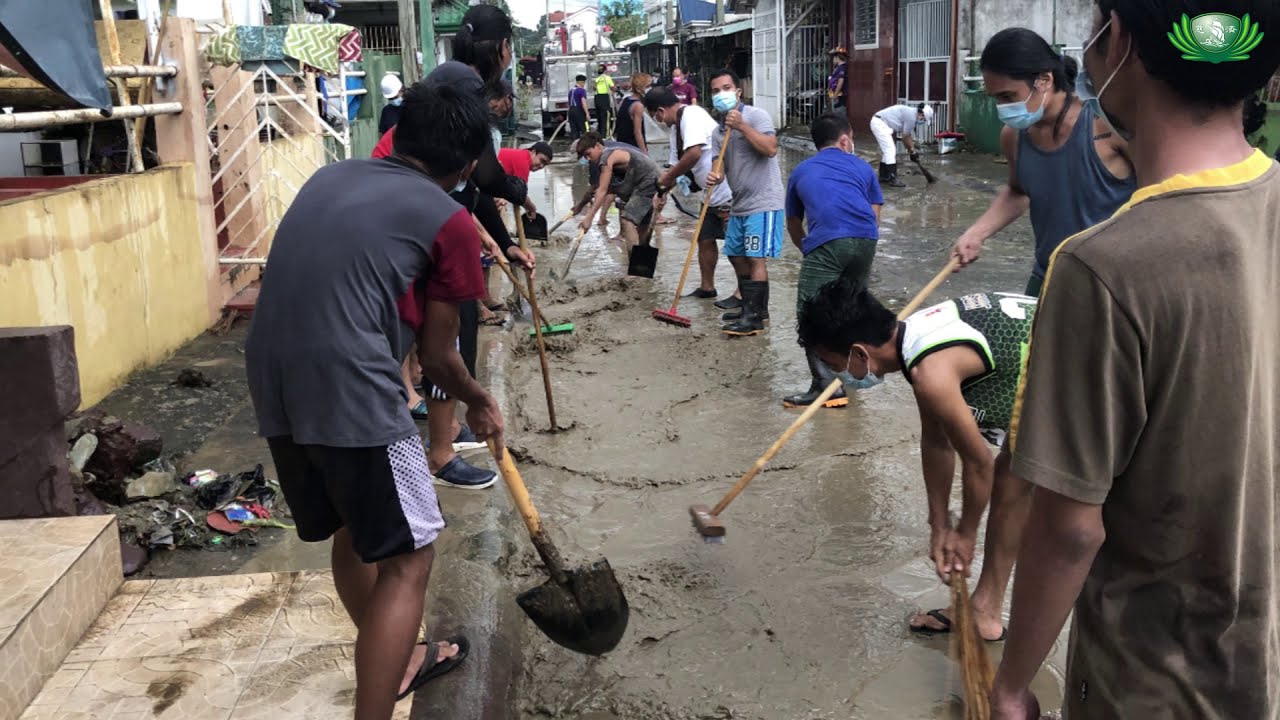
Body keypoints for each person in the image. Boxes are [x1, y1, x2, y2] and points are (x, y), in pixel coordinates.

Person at [989, 0, 1280, 716]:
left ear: (1117, 39)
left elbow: (1069, 529)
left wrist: (1013, 682)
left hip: (1157, 678)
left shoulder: (1099, 269)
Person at [245, 80, 497, 720]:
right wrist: (478, 400)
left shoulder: (328, 178)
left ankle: (400, 657)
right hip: (349, 384)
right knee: (411, 560)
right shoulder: (451, 220)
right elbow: (441, 357)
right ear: (468, 166)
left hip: (273, 378)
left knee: (357, 532)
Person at [798, 277, 1039, 643]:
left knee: (1013, 474)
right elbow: (937, 442)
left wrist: (966, 534)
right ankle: (984, 610)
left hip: (1078, 364)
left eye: (836, 364)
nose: (839, 375)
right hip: (1044, 354)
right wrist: (939, 524)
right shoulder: (915, 340)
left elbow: (979, 465)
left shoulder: (931, 374)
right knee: (1012, 470)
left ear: (860, 354)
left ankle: (986, 612)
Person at [370, 4, 535, 490]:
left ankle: (446, 430)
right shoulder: (465, 87)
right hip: (410, 203)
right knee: (451, 333)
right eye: (510, 46)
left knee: (451, 327)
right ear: (501, 47)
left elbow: (472, 190)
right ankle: (439, 456)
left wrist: (505, 243)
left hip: (414, 199)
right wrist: (522, 194)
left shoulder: (455, 75)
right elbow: (484, 177)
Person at [949, 27, 1136, 298]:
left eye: (1007, 97)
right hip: (1047, 278)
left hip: (1111, 287)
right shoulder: (1013, 136)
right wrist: (976, 233)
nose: (1001, 108)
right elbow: (1017, 191)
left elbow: (1161, 197)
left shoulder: (1105, 127)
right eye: (995, 99)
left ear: (1045, 80)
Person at [782, 112, 882, 409]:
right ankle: (856, 375)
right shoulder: (863, 166)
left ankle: (826, 386)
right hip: (866, 238)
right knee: (851, 307)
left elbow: (792, 222)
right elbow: (875, 212)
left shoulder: (801, 170)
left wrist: (810, 250)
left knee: (810, 311)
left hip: (828, 239)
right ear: (845, 139)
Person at [704, 68, 785, 337]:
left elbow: (770, 148)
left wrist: (741, 126)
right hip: (739, 203)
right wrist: (715, 174)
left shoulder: (756, 116)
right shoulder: (717, 131)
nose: (721, 95)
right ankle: (752, 307)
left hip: (763, 201)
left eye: (725, 88)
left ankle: (754, 318)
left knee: (754, 257)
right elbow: (720, 164)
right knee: (736, 255)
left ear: (738, 91)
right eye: (715, 91)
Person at [645, 85, 734, 299]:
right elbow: (676, 167)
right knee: (704, 239)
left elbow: (693, 154)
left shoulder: (692, 114)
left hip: (725, 190)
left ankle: (743, 295)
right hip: (709, 193)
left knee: (735, 246)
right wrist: (663, 191)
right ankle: (707, 287)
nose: (659, 121)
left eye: (656, 117)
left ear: (659, 111)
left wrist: (666, 178)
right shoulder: (676, 130)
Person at [576, 131, 660, 253]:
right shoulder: (604, 158)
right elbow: (595, 187)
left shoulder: (606, 157)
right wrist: (579, 206)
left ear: (598, 146)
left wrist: (589, 217)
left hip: (649, 181)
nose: (588, 158)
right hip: (646, 182)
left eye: (588, 154)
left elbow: (602, 191)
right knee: (642, 226)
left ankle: (634, 265)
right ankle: (642, 267)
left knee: (627, 219)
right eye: (584, 156)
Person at [868, 102, 933, 187]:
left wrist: (912, 150)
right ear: (921, 114)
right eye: (923, 119)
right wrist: (912, 152)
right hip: (879, 123)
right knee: (890, 150)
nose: (922, 121)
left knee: (887, 150)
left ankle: (884, 176)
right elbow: (905, 137)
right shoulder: (912, 117)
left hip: (880, 122)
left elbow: (907, 136)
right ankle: (893, 179)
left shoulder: (912, 113)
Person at [616, 72, 651, 153]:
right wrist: (644, 153)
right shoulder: (638, 106)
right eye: (647, 86)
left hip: (622, 146)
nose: (650, 89)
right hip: (633, 149)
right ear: (639, 89)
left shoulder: (626, 100)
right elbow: (637, 132)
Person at [594, 63, 615, 134]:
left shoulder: (597, 79)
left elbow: (594, 88)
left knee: (599, 117)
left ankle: (600, 133)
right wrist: (613, 91)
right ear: (605, 70)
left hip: (597, 98)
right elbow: (613, 87)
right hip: (604, 98)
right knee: (606, 117)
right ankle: (605, 134)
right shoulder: (607, 78)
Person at [568, 74, 589, 140]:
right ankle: (586, 143)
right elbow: (583, 102)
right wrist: (587, 113)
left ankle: (575, 144)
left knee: (574, 129)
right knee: (584, 128)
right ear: (582, 82)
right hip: (578, 111)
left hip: (571, 111)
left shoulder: (571, 91)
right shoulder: (581, 90)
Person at [827, 47, 849, 112]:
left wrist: (835, 95)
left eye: (834, 58)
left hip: (839, 95)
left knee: (838, 114)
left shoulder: (842, 68)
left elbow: (840, 82)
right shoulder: (838, 68)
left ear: (837, 58)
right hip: (835, 94)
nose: (833, 60)